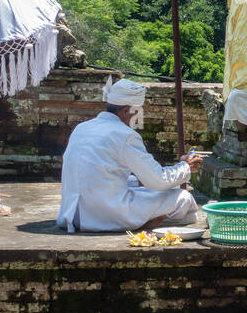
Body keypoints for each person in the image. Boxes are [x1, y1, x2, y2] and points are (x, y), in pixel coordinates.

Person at [57, 78, 204, 232]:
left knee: (138, 185)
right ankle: (145, 223)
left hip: (74, 215)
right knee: (182, 198)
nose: (138, 118)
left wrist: (137, 181)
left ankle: (145, 218)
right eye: (137, 112)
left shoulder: (82, 128)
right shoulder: (125, 135)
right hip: (106, 216)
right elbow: (159, 181)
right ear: (126, 111)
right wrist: (185, 167)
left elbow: (100, 175)